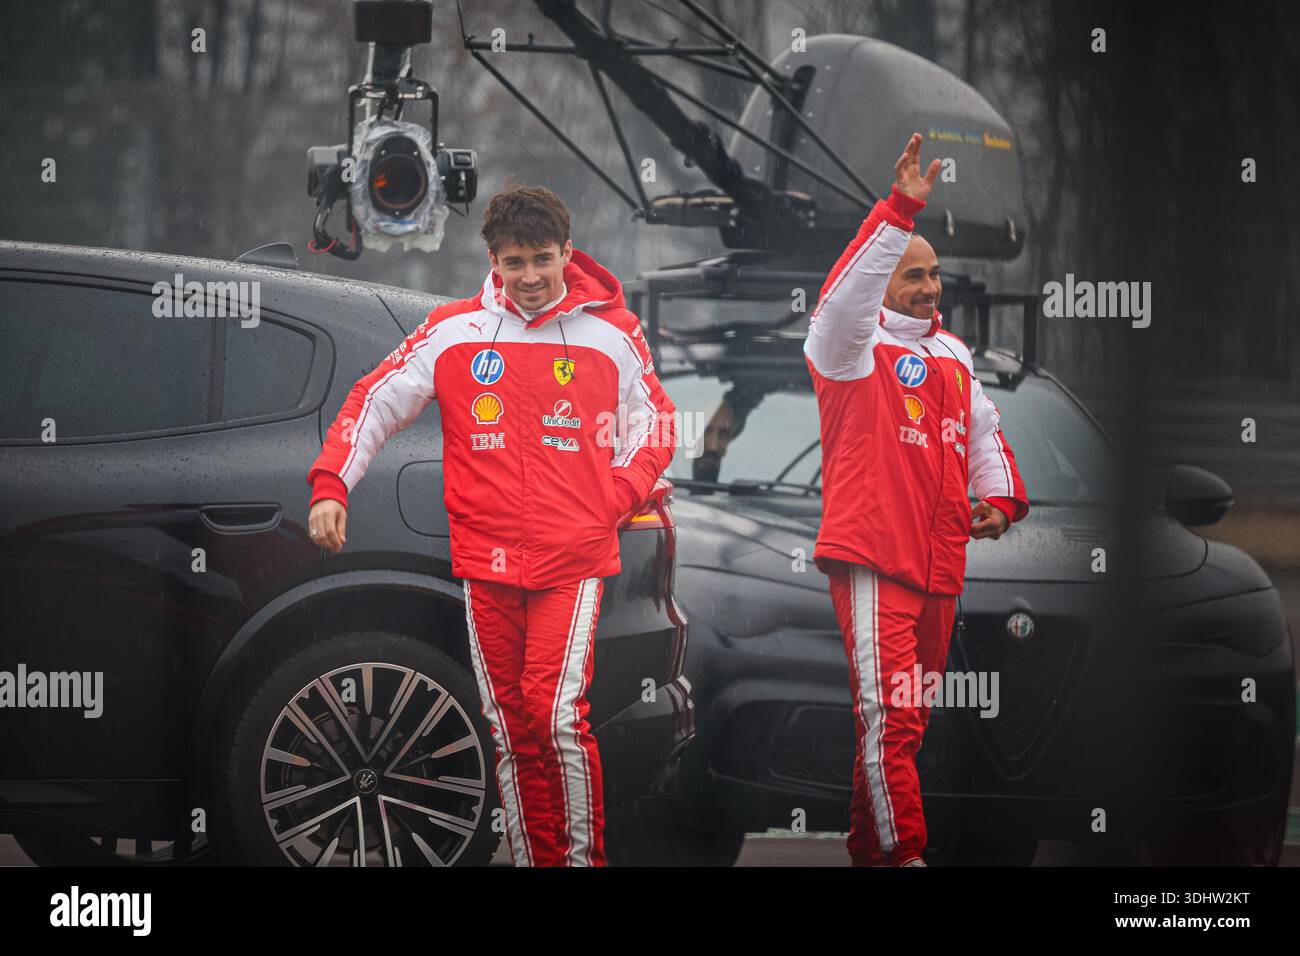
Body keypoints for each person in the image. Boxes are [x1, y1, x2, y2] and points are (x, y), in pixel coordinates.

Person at [305, 182, 677, 866]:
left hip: (573, 561)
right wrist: (332, 485)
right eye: (514, 262)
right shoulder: (456, 330)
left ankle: (578, 859)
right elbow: (375, 399)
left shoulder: (612, 332)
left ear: (567, 253)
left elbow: (655, 423)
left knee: (556, 719)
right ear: (493, 260)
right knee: (509, 726)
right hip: (487, 561)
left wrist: (613, 497)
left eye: (542, 259)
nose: (530, 277)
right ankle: (536, 856)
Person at [803, 133, 1029, 867]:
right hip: (874, 560)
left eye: (933, 275)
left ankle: (872, 852)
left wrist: (998, 498)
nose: (928, 288)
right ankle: (904, 855)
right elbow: (845, 298)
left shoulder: (956, 357)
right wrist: (898, 211)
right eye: (912, 277)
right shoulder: (848, 350)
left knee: (907, 725)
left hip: (940, 568)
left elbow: (985, 435)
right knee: (890, 718)